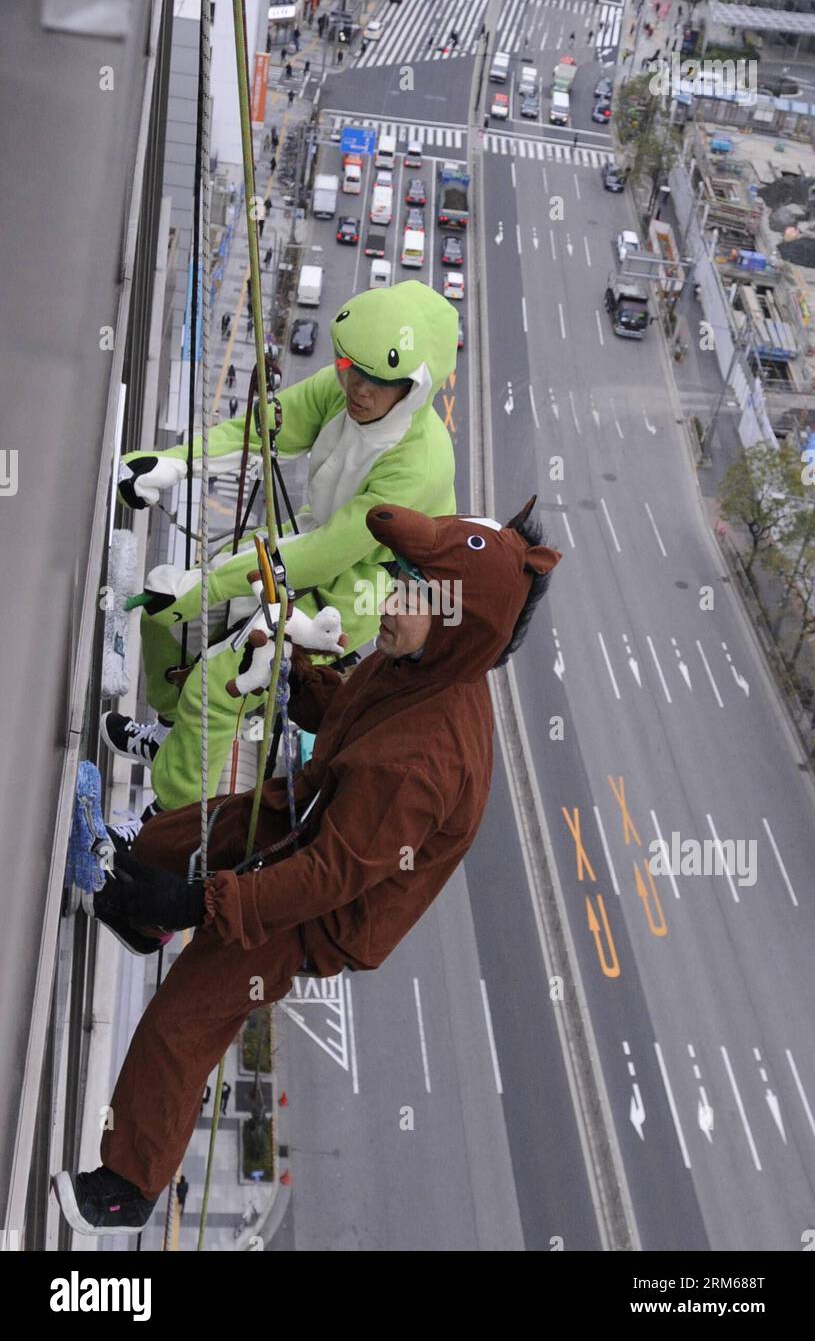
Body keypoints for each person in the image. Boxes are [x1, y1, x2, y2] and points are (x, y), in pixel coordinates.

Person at [54, 499, 561, 1232]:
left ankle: (127, 1187)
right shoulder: (420, 663)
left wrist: (201, 906)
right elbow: (347, 712)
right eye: (400, 581)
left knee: (185, 1019)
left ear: (458, 625)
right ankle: (139, 916)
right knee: (176, 839)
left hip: (322, 911)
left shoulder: (424, 762)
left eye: (414, 595)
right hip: (314, 811)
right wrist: (292, 668)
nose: (389, 601)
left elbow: (327, 877)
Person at [100, 283, 461, 827]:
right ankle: (174, 737)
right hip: (304, 545)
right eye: (348, 367)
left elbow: (325, 556)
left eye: (378, 380)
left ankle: (164, 822)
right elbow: (261, 431)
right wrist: (170, 462)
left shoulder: (418, 464)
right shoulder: (344, 388)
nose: (356, 388)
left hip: (354, 597)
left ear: (413, 388)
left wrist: (208, 587)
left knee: (222, 681)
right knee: (160, 609)